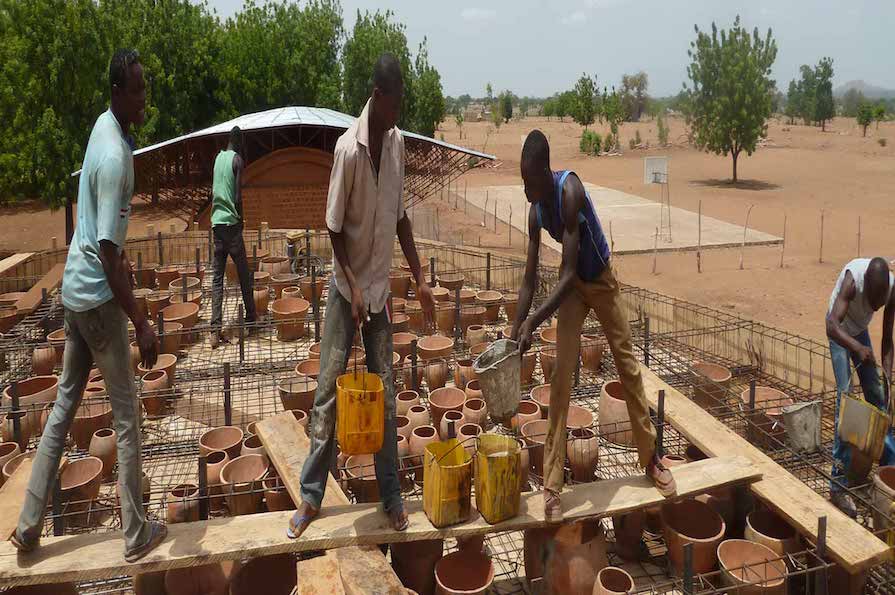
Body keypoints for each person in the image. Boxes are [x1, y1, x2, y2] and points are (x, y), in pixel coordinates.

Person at [12, 49, 167, 561]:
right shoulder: (115, 159)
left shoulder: (104, 126)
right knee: (127, 418)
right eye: (139, 89)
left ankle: (29, 525)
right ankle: (135, 534)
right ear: (119, 92)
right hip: (98, 301)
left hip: (74, 297)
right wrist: (140, 319)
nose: (145, 98)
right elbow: (107, 250)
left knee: (61, 410)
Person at [287, 53, 435, 538]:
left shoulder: (396, 146)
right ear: (377, 95)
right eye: (394, 104)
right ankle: (311, 497)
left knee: (386, 392)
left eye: (401, 106)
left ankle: (391, 497)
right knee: (328, 388)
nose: (398, 114)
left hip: (377, 293)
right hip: (344, 289)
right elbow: (332, 228)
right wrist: (349, 287)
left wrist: (419, 276)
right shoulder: (347, 150)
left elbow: (401, 218)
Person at [511, 130, 676, 522]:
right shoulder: (535, 210)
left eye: (530, 181)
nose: (525, 189)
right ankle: (552, 485)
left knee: (627, 364)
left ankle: (650, 458)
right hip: (572, 290)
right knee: (561, 378)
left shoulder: (570, 192)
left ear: (545, 172)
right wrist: (515, 329)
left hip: (596, 278)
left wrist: (535, 319)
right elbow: (530, 278)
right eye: (521, 181)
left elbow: (568, 273)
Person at [826, 257, 895, 517]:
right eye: (873, 302)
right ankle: (837, 485)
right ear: (866, 286)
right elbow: (831, 325)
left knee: (878, 400)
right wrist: (857, 347)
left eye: (881, 302)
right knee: (846, 400)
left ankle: (889, 469)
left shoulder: (891, 287)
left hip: (859, 332)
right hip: (840, 329)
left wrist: (886, 377)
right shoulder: (852, 281)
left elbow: (888, 336)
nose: (876, 308)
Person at [209, 126, 256, 348]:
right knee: (244, 275)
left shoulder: (218, 159)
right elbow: (237, 197)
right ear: (239, 143)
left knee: (217, 279)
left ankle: (214, 331)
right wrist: (242, 220)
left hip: (217, 225)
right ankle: (252, 319)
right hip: (232, 225)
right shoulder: (237, 160)